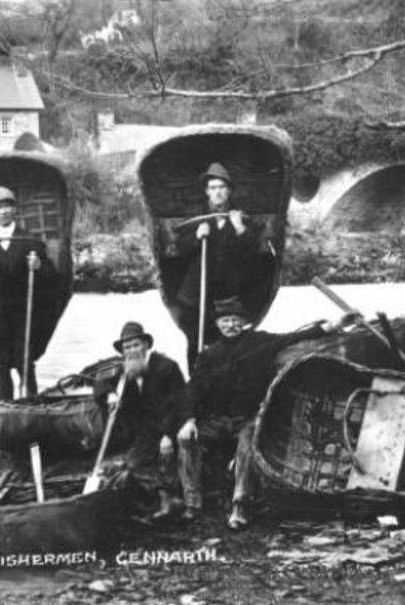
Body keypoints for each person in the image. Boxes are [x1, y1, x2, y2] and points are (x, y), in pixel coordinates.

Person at [173, 297, 359, 530]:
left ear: (244, 322)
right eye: (225, 320)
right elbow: (193, 390)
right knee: (186, 439)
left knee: (248, 442)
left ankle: (240, 505)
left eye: (235, 320)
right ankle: (193, 503)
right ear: (218, 324)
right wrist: (188, 420)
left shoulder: (260, 342)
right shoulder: (209, 355)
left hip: (248, 419)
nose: (230, 325)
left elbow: (295, 337)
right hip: (217, 420)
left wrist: (334, 325)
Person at [0, 186, 59, 401]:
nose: (5, 211)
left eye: (8, 205)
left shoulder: (29, 241)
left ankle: (33, 409)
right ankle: (7, 409)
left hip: (22, 314)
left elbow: (52, 277)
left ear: (15, 210)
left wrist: (38, 266)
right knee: (1, 366)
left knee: (26, 363)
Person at [174, 162, 264, 369]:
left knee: (229, 344)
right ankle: (196, 383)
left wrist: (240, 228)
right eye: (213, 188)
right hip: (197, 295)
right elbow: (180, 248)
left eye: (222, 187)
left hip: (227, 296)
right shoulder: (197, 217)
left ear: (229, 191)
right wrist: (197, 236)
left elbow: (253, 252)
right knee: (196, 341)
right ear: (207, 192)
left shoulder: (241, 219)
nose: (218, 192)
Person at [93, 321, 186, 518]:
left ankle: (169, 500)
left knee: (165, 458)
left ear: (146, 345)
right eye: (127, 347)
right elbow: (99, 379)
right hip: (144, 432)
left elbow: (179, 405)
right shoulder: (125, 369)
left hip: (169, 428)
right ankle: (162, 497)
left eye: (136, 345)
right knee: (134, 463)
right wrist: (109, 394)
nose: (132, 351)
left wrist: (168, 435)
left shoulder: (167, 367)